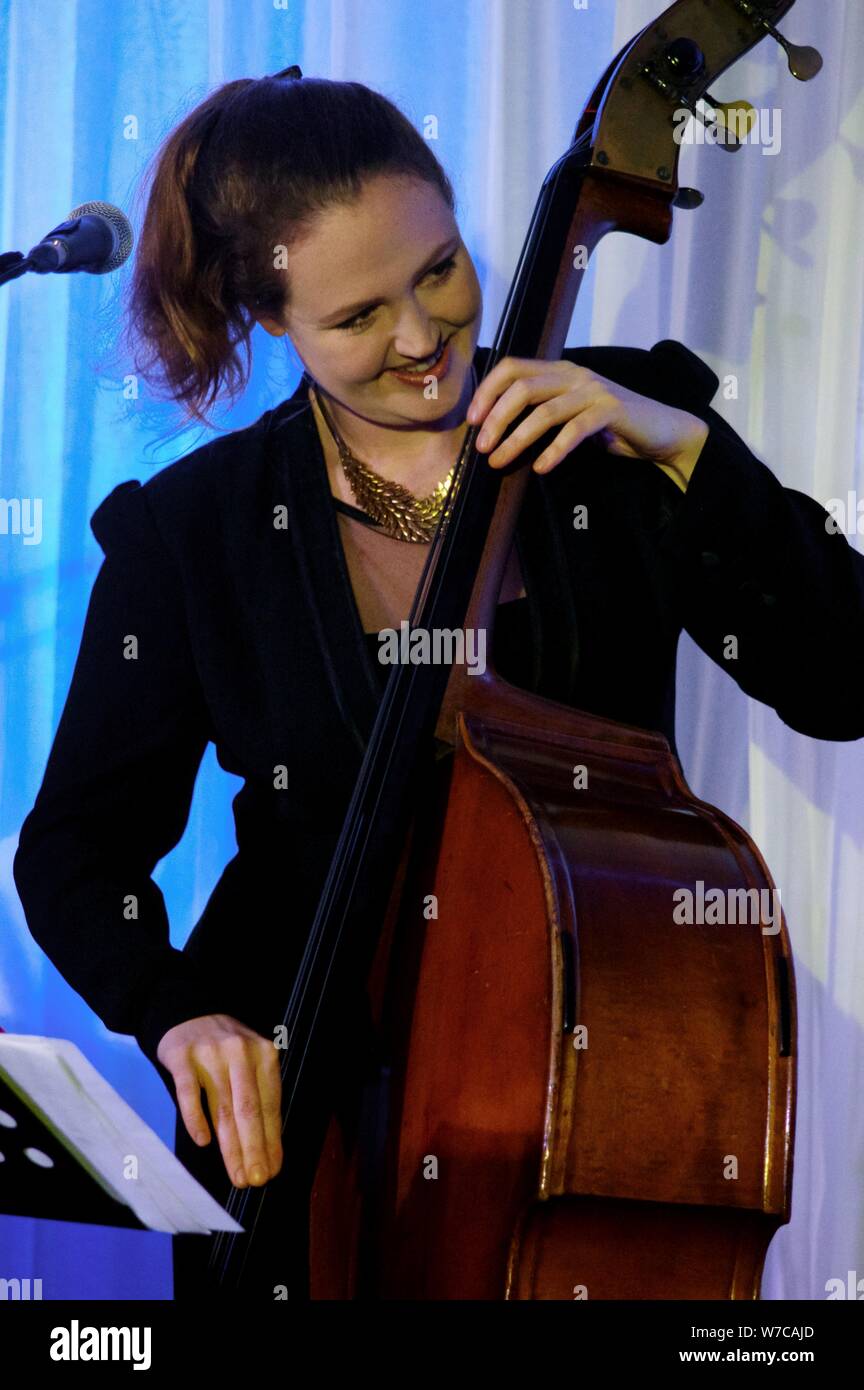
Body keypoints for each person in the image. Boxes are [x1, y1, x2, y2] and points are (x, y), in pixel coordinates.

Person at [12, 70, 864, 1300]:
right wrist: (176, 1011)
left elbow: (842, 679)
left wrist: (684, 449)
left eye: (440, 270)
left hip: (578, 1110)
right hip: (300, 1137)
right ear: (273, 321)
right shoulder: (193, 535)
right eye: (355, 317)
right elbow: (75, 852)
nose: (420, 337)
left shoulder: (615, 439)